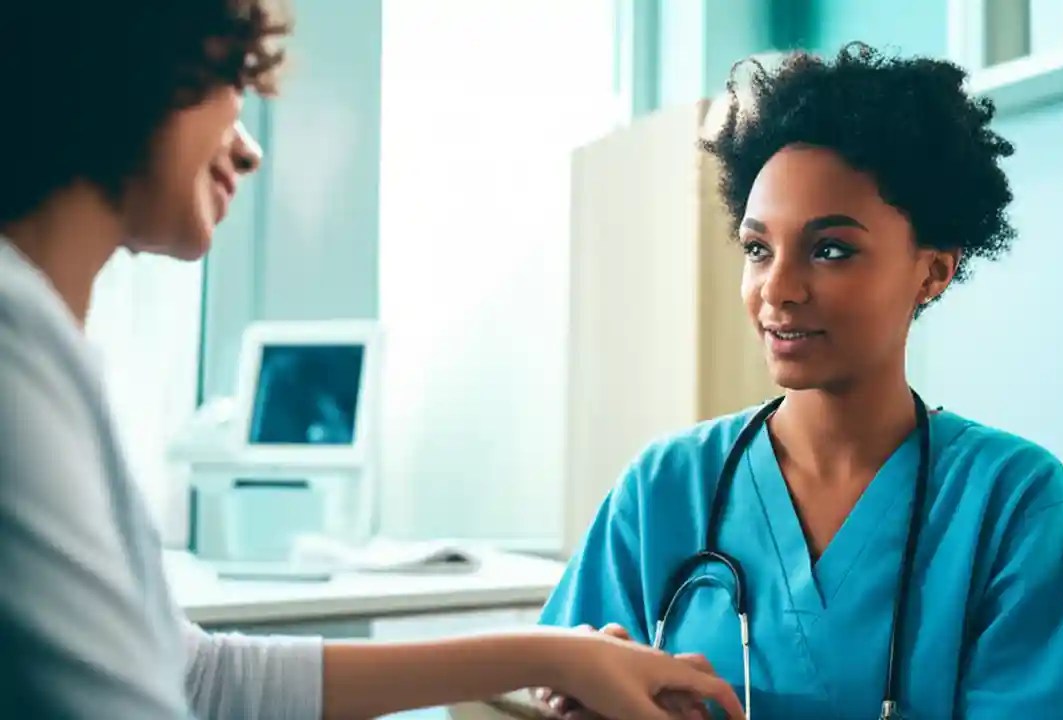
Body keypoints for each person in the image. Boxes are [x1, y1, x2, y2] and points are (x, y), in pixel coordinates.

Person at [0, 2, 745, 719]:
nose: (249, 146)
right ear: (142, 66)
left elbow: (194, 676)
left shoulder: (41, 348)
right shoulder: (15, 348)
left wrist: (549, 656)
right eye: (231, 82)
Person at [536, 44, 1063, 719]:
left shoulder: (1010, 501)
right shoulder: (664, 488)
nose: (778, 290)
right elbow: (557, 679)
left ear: (932, 272)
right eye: (759, 249)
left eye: (830, 250)